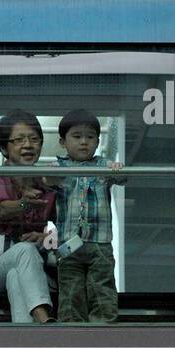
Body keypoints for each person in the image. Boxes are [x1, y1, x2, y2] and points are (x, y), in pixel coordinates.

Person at [0, 110, 56, 323]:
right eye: (19, 140)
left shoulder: (47, 186)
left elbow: (62, 231)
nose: (28, 145)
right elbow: (3, 210)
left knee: (16, 276)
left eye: (34, 139)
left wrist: (44, 237)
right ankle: (45, 321)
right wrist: (23, 204)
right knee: (24, 251)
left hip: (33, 273)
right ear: (4, 148)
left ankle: (28, 337)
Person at [49, 108, 125, 324]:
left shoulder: (103, 165)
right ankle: (72, 338)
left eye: (90, 137)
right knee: (70, 293)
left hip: (99, 242)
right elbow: (45, 179)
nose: (84, 142)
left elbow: (123, 177)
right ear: (63, 142)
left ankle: (103, 334)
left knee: (102, 290)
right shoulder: (59, 166)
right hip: (68, 243)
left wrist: (117, 168)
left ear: (98, 141)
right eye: (77, 136)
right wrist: (50, 177)